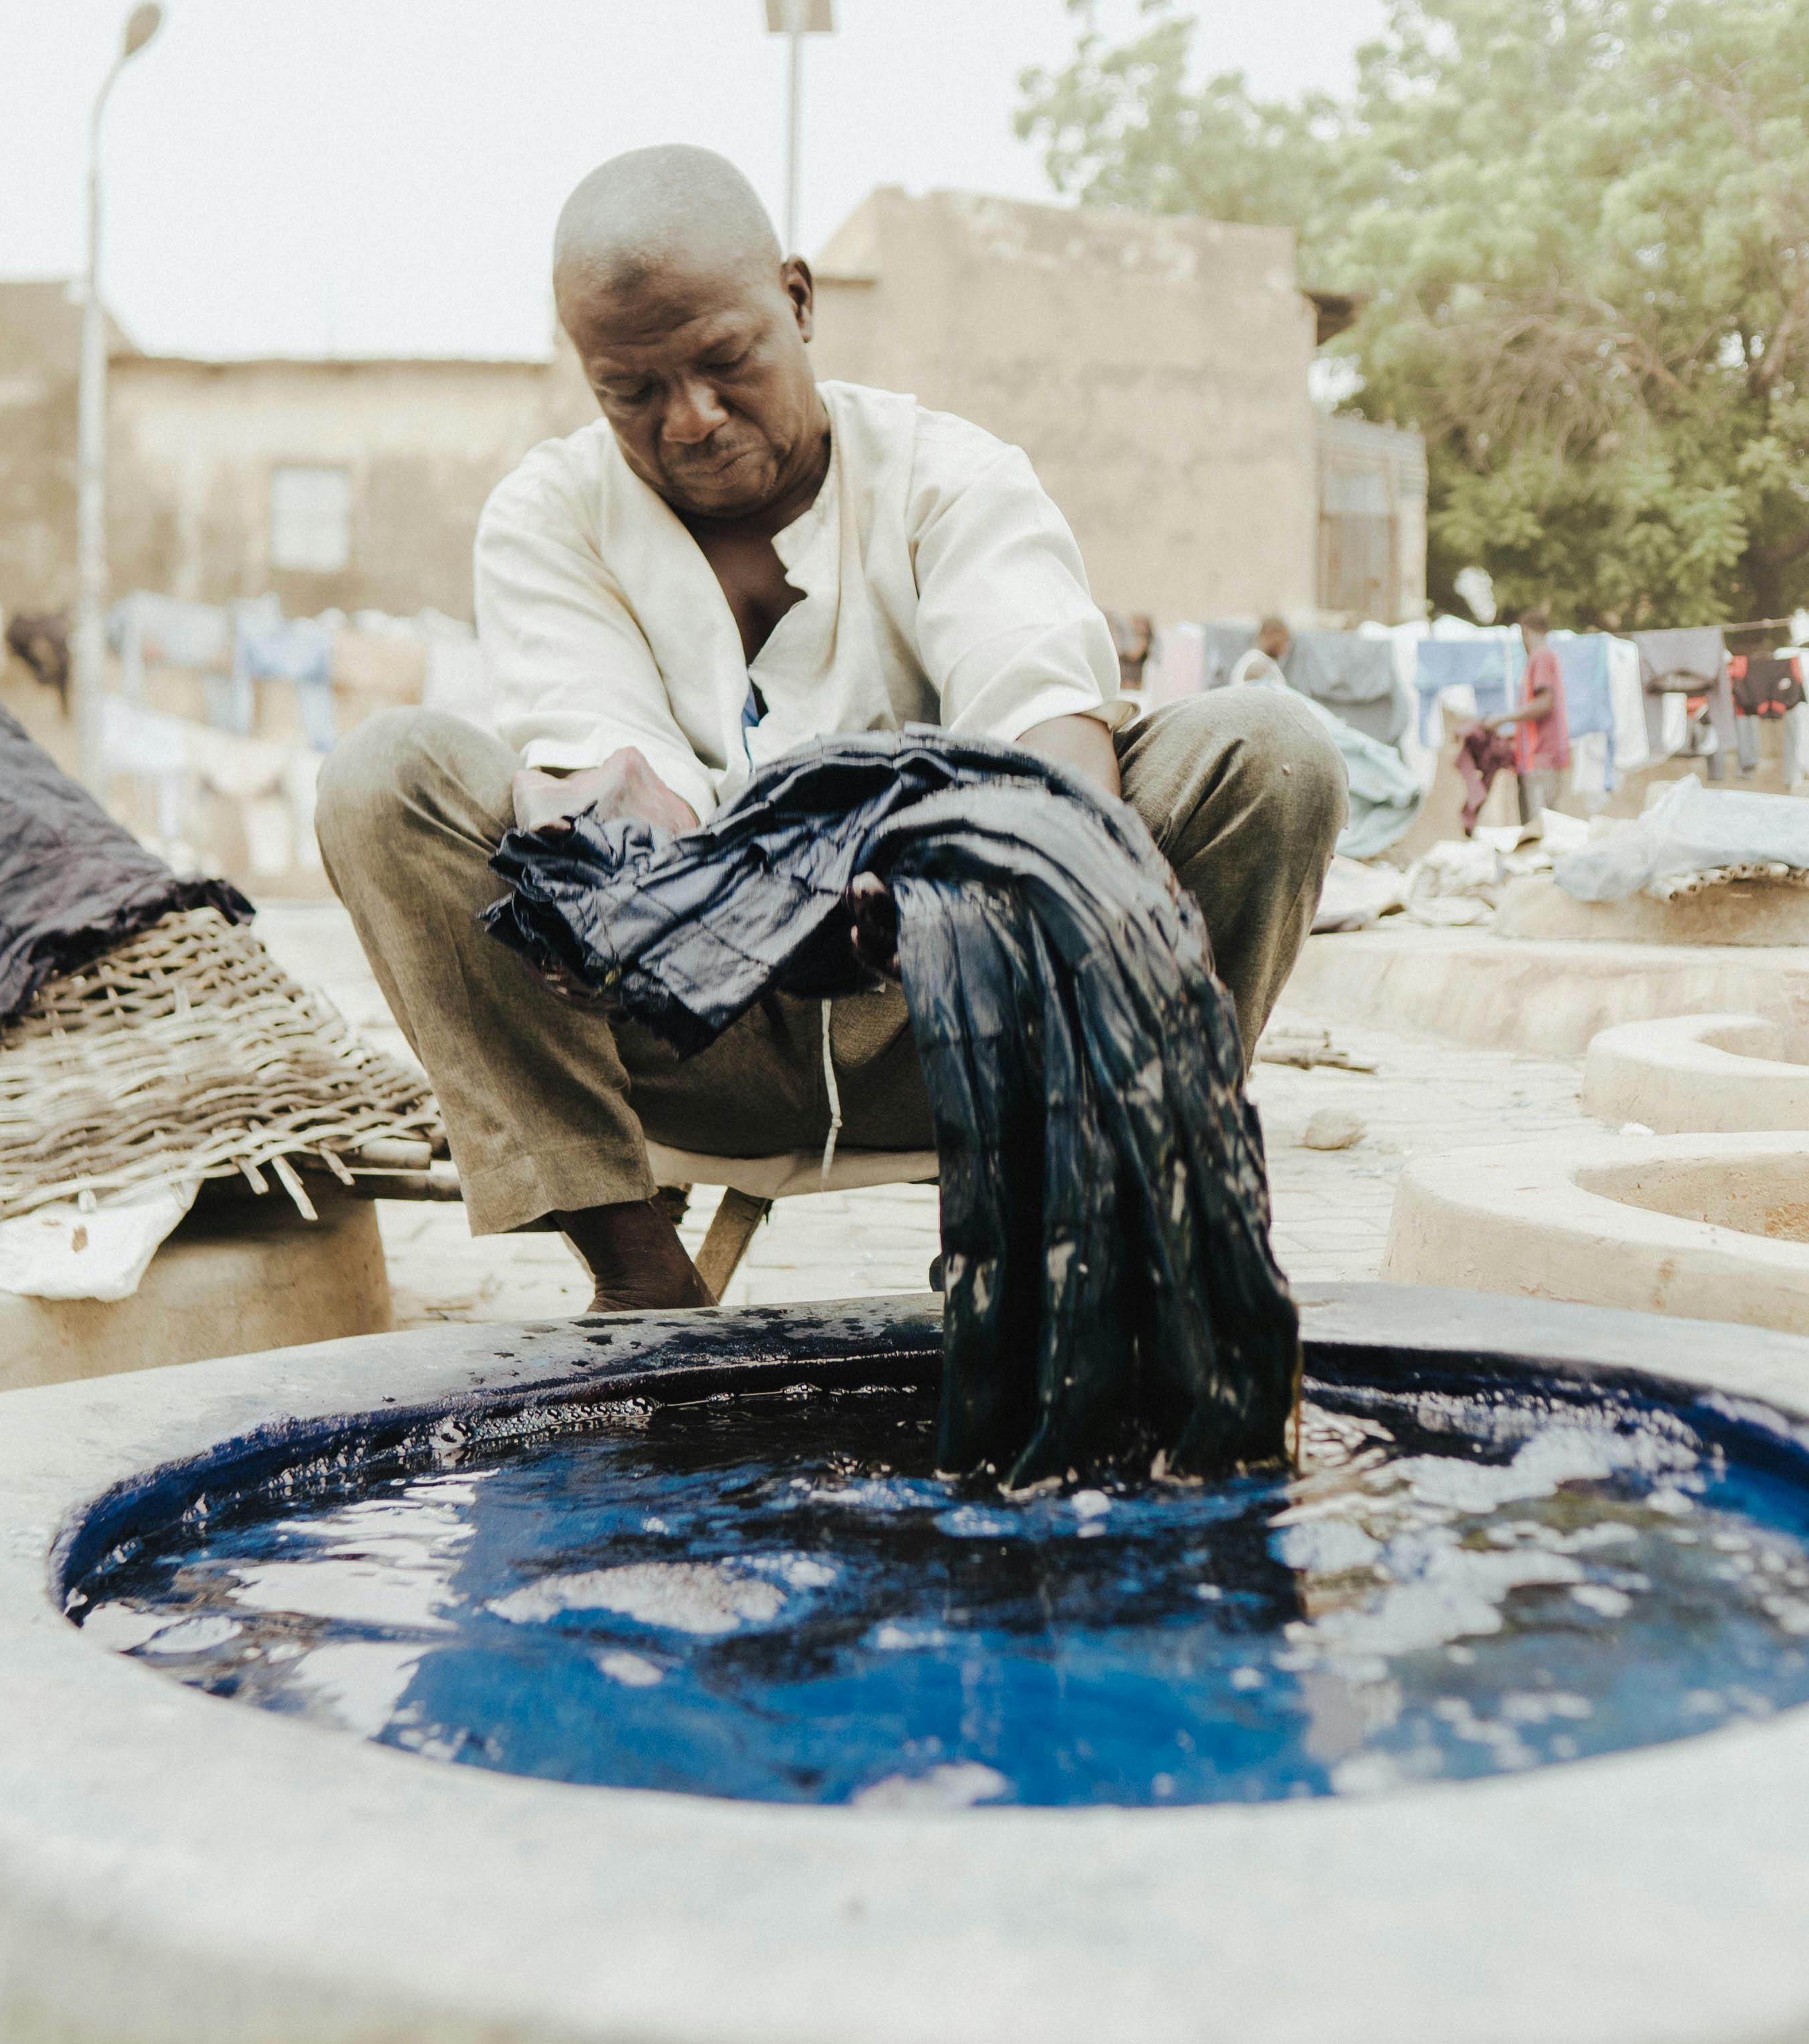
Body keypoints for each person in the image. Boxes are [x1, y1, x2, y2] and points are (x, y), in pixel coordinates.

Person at [317, 144, 1344, 1311]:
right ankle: (642, 1281)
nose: (691, 420)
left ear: (797, 303)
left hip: (962, 1026)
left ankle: (1075, 1214)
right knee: (382, 776)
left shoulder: (950, 478)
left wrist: (946, 889)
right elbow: (618, 793)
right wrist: (600, 835)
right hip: (688, 1033)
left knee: (1267, 748)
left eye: (724, 361)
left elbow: (1052, 744)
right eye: (632, 392)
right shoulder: (548, 516)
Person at [1507, 610, 1568, 835]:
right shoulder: (1545, 657)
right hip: (1540, 758)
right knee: (1542, 828)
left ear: (1525, 631)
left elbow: (1544, 704)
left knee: (1540, 831)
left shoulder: (1541, 656)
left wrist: (1502, 718)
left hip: (1541, 757)